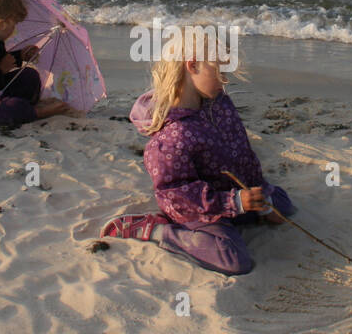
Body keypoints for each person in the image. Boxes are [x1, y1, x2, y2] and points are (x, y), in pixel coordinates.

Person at [100, 24, 294, 275]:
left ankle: (248, 207)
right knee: (232, 259)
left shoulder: (220, 104)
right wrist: (233, 202)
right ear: (192, 66)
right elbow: (177, 195)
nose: (225, 78)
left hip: (233, 193)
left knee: (283, 204)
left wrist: (260, 196)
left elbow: (243, 153)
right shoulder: (172, 137)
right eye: (220, 69)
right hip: (197, 208)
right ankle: (156, 230)